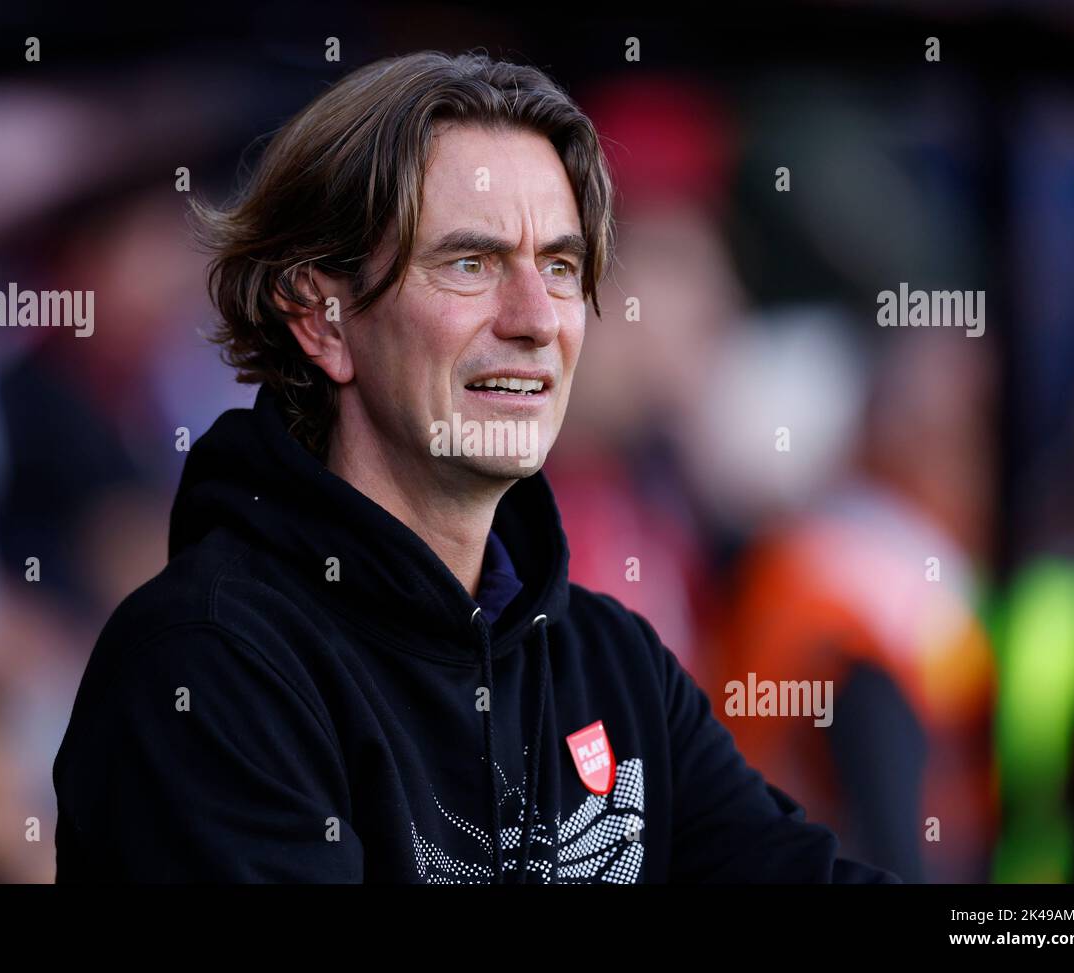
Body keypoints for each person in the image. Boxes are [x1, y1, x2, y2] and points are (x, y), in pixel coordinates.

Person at [52, 50, 897, 884]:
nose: (536, 320)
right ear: (323, 319)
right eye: (471, 262)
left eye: (561, 267)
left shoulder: (612, 661)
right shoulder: (207, 668)